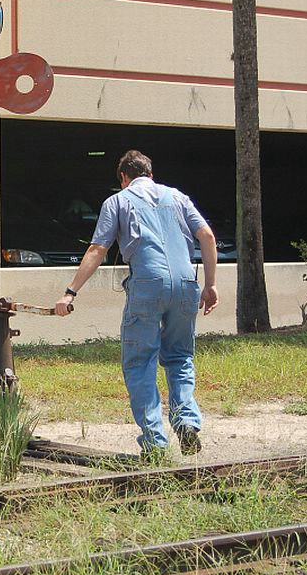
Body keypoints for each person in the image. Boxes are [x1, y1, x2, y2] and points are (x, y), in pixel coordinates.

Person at [55, 150, 219, 457]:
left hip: (147, 284)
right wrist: (209, 285)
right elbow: (207, 236)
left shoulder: (117, 201)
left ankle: (155, 441)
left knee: (140, 361)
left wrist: (70, 292)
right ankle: (186, 423)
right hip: (186, 284)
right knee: (180, 357)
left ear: (123, 178)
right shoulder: (178, 196)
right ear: (151, 175)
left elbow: (97, 249)